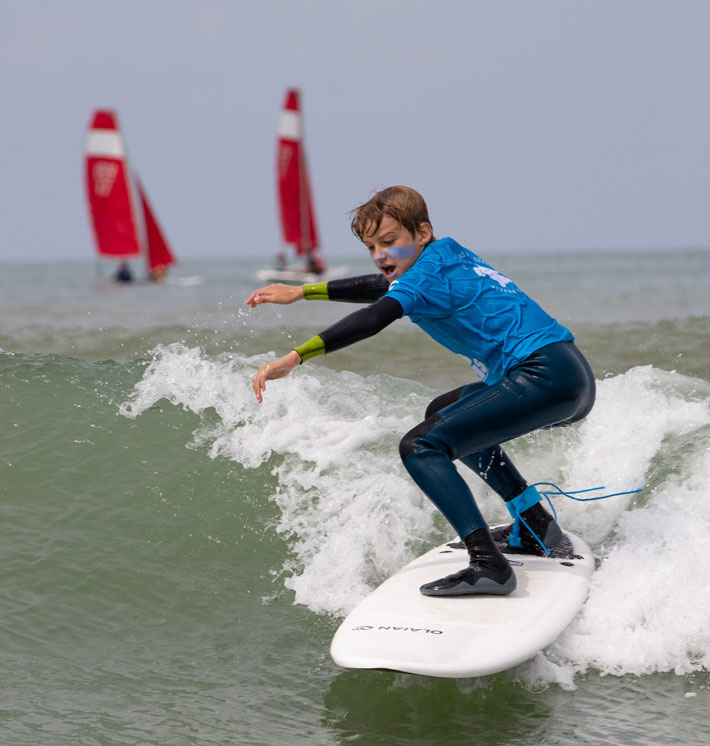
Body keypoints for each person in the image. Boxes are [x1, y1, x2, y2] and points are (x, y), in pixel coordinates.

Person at [247, 185, 595, 597]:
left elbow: (375, 316)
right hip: (569, 375)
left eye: (390, 242)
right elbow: (382, 287)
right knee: (443, 412)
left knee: (421, 446)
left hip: (542, 376)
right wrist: (301, 291)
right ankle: (534, 522)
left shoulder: (421, 278)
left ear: (422, 232)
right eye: (372, 246)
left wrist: (295, 356)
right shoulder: (446, 254)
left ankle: (488, 564)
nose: (381, 255)